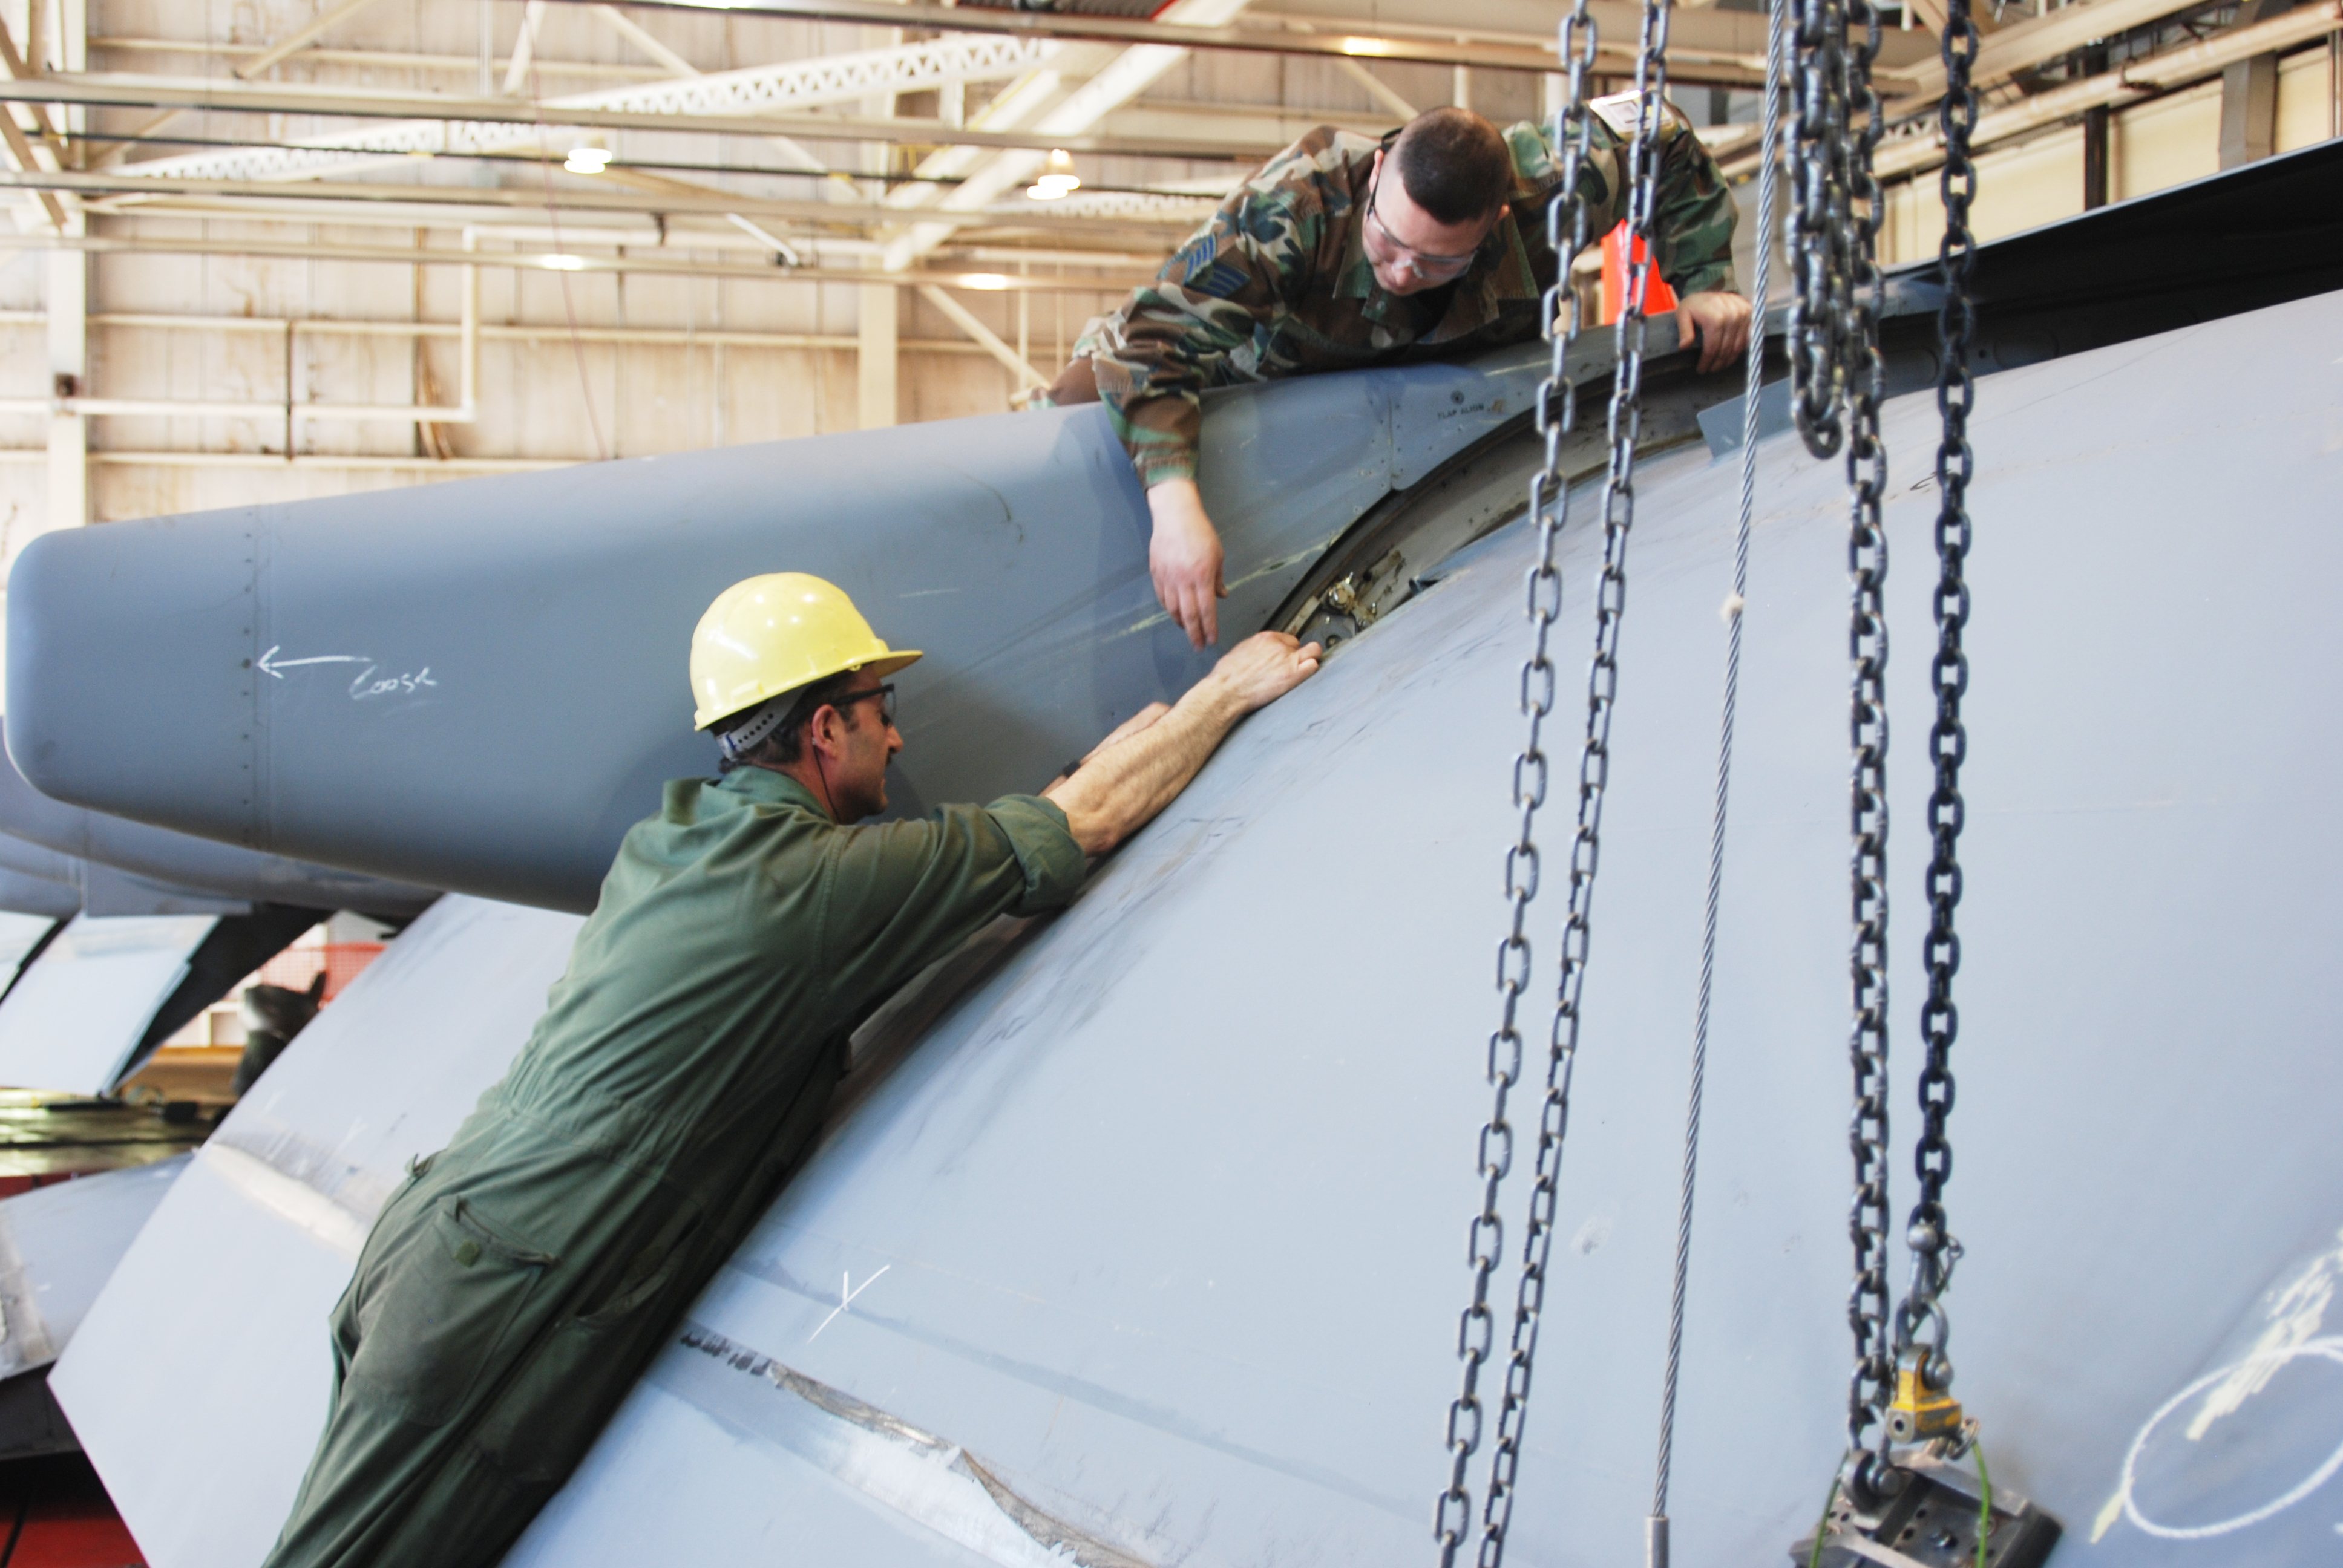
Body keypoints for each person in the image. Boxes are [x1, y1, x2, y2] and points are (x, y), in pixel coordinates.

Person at [262, 573, 1322, 1568]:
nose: (898, 731)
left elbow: (913, 888)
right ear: (825, 727)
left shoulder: (681, 842)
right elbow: (1077, 826)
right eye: (880, 705)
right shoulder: (808, 888)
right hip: (505, 1301)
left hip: (441, 1236)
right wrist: (1224, 692)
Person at [1041, 102, 1752, 649]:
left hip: (1432, 382)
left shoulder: (1554, 188)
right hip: (1253, 371)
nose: (1405, 272)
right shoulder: (1297, 205)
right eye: (1389, 242)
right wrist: (1174, 506)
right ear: (1379, 173)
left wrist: (1705, 283)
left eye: (1438, 260)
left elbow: (1663, 134)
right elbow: (1154, 336)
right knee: (1078, 415)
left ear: (1496, 220)